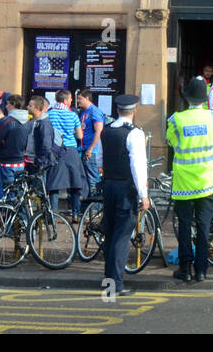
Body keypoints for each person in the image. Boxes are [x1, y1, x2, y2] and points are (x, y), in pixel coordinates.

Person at [164, 77, 213, 283]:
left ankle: (185, 268)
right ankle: (202, 270)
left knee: (185, 227)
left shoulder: (176, 119)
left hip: (183, 183)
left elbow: (170, 141)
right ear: (205, 99)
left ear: (187, 97)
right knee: (204, 227)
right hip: (207, 181)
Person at [98, 94, 149, 297]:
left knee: (110, 234)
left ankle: (108, 283)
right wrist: (144, 194)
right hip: (126, 188)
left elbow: (99, 159)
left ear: (118, 110)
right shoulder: (134, 133)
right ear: (134, 111)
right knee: (121, 236)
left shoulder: (107, 131)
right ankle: (115, 285)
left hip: (108, 185)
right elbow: (138, 166)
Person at [46, 91, 86, 216]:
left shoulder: (49, 114)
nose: (71, 101)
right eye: (70, 99)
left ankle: (54, 212)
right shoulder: (73, 115)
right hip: (71, 150)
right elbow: (80, 135)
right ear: (65, 100)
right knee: (75, 181)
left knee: (54, 182)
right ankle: (75, 213)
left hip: (55, 150)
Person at [0, 95, 29, 200]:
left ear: (13, 105)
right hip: (21, 161)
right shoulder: (27, 120)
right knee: (20, 193)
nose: (6, 106)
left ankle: (9, 214)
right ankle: (23, 215)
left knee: (8, 192)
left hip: (7, 161)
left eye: (8, 103)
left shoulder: (7, 121)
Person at [76, 89, 105, 194]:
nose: (78, 101)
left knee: (93, 180)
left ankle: (95, 208)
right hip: (84, 149)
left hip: (92, 152)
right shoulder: (83, 112)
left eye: (80, 99)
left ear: (87, 98)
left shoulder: (94, 111)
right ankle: (86, 207)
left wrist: (91, 148)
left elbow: (99, 131)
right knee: (86, 181)